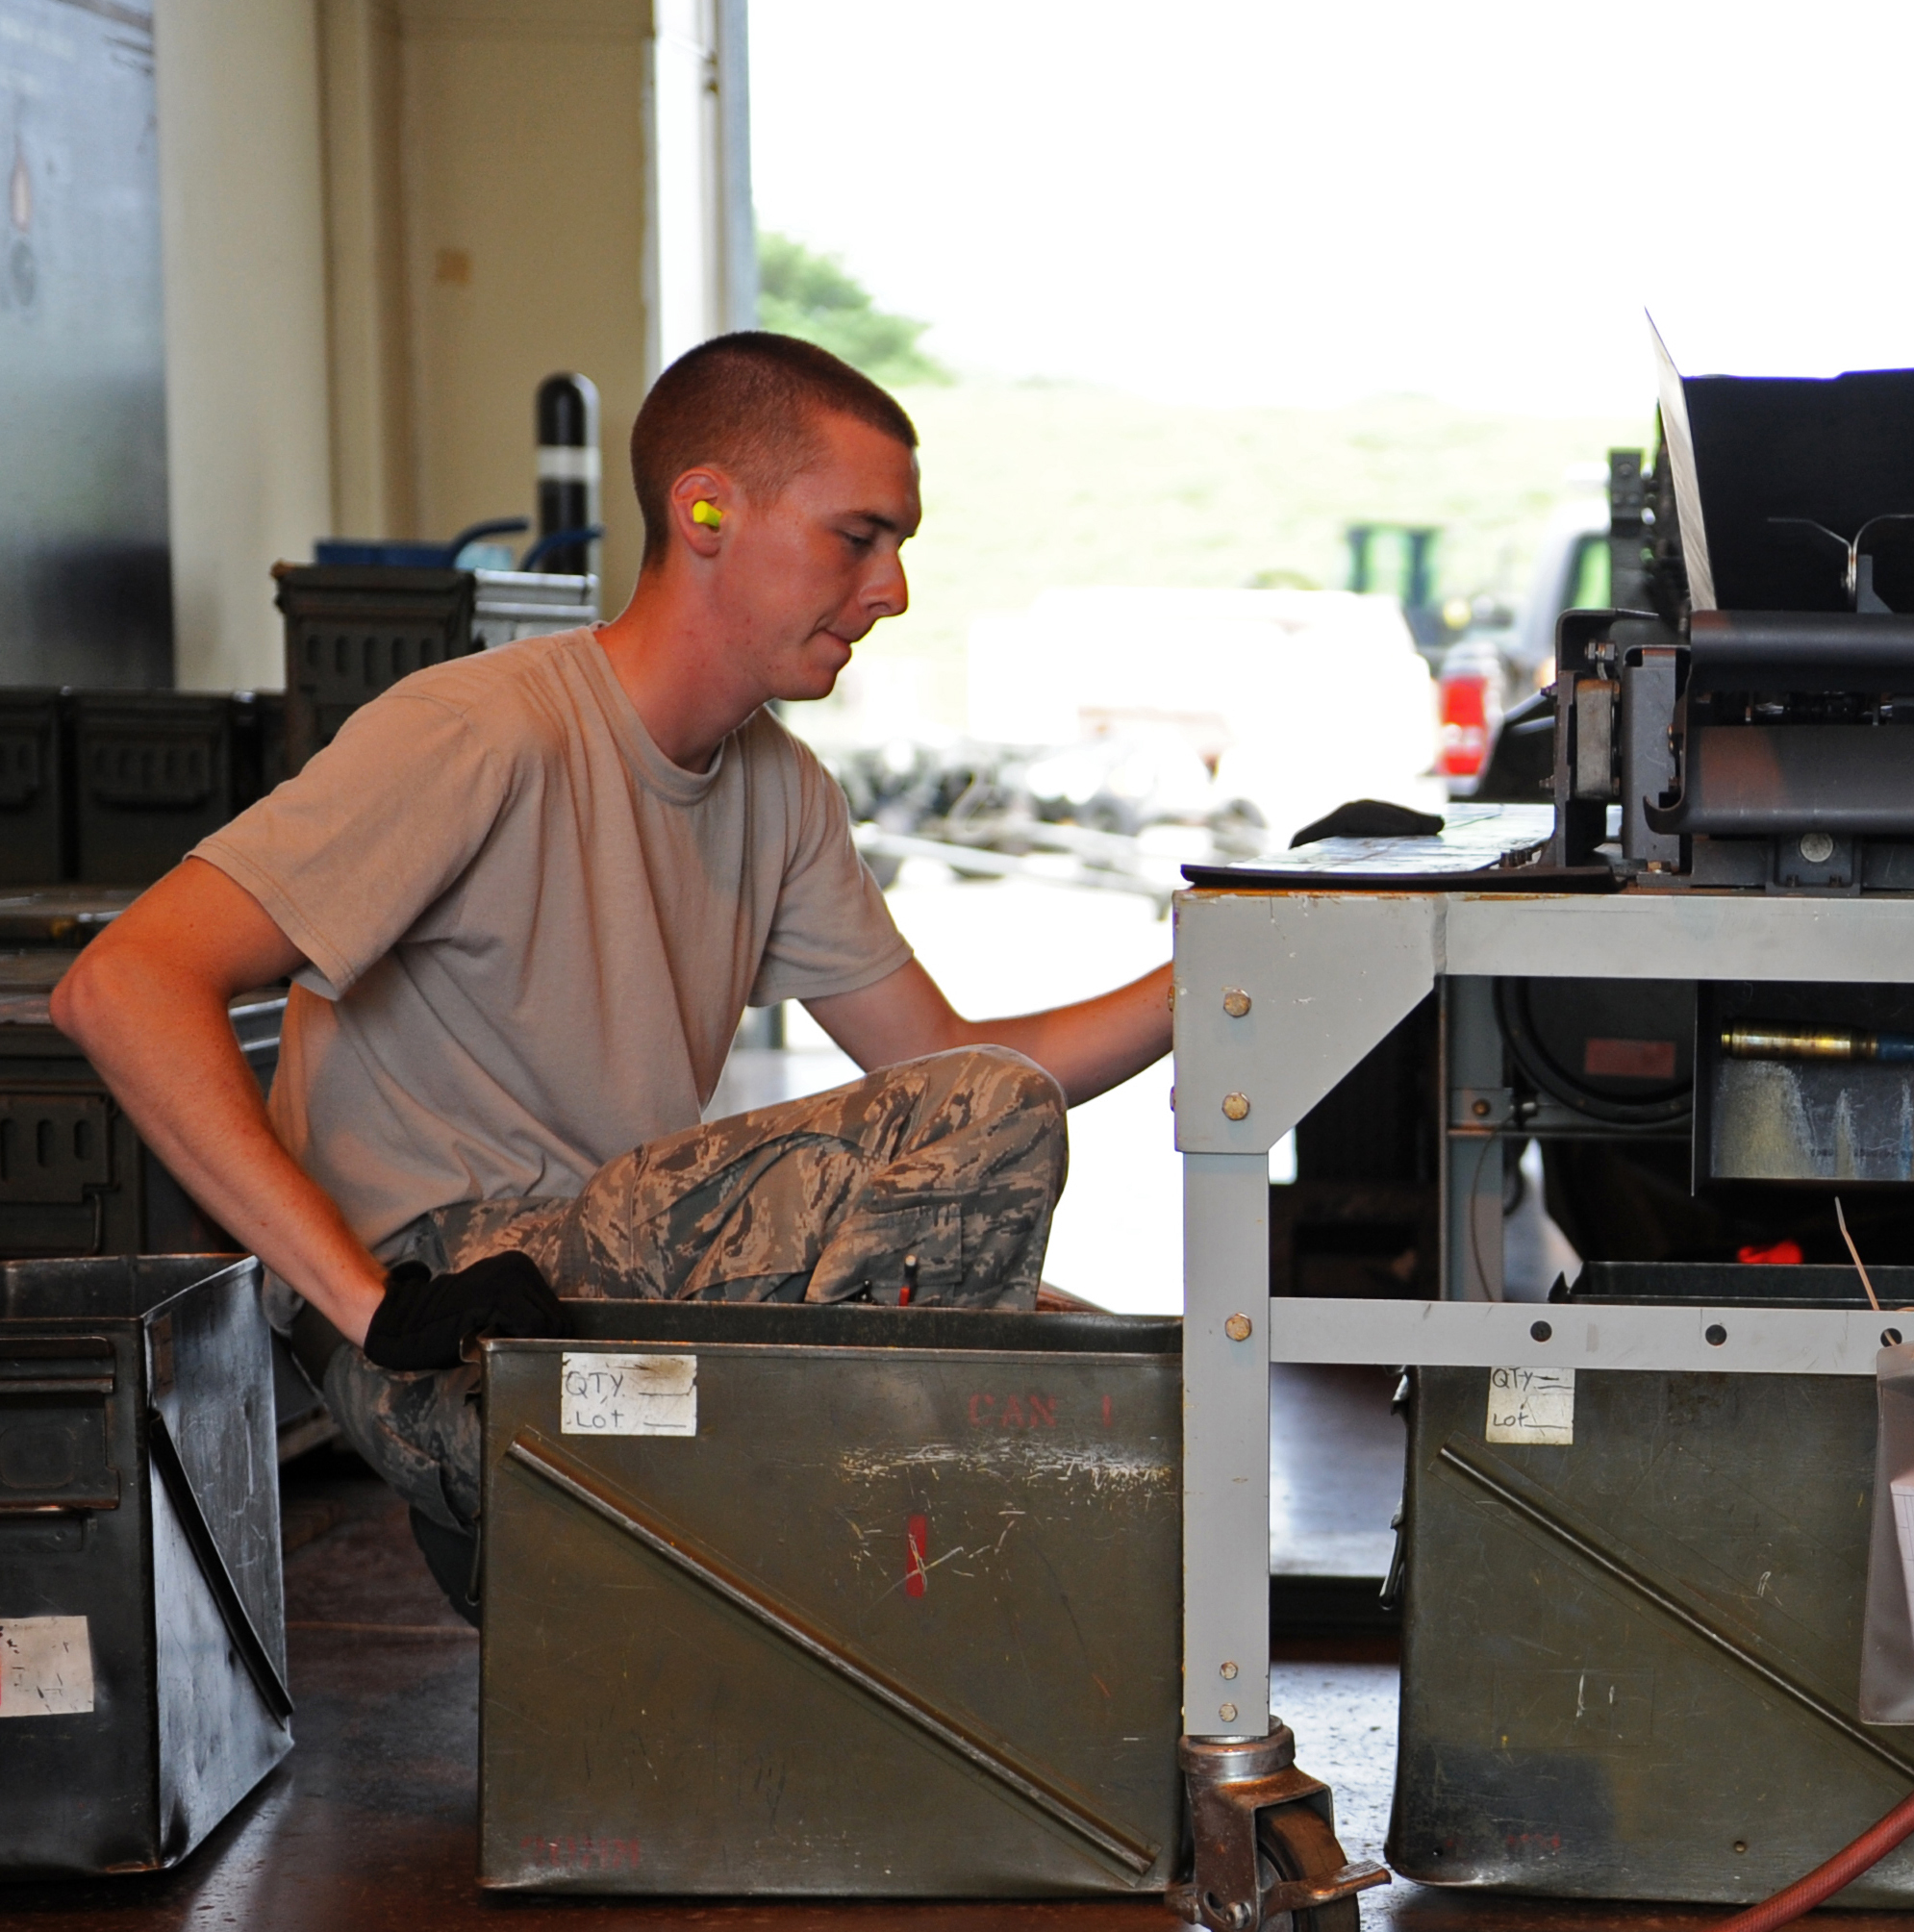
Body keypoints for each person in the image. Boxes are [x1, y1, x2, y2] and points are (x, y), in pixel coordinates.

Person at [54, 333, 1174, 1616]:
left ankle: (839, 1649)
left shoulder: (780, 791)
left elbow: (943, 1072)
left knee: (1092, 1340)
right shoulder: (482, 732)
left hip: (605, 1274)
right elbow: (126, 983)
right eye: (859, 537)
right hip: (455, 1323)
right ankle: (842, 1609)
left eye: (902, 545)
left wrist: (1214, 977)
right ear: (705, 509)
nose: (894, 590)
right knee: (999, 1173)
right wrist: (374, 1305)